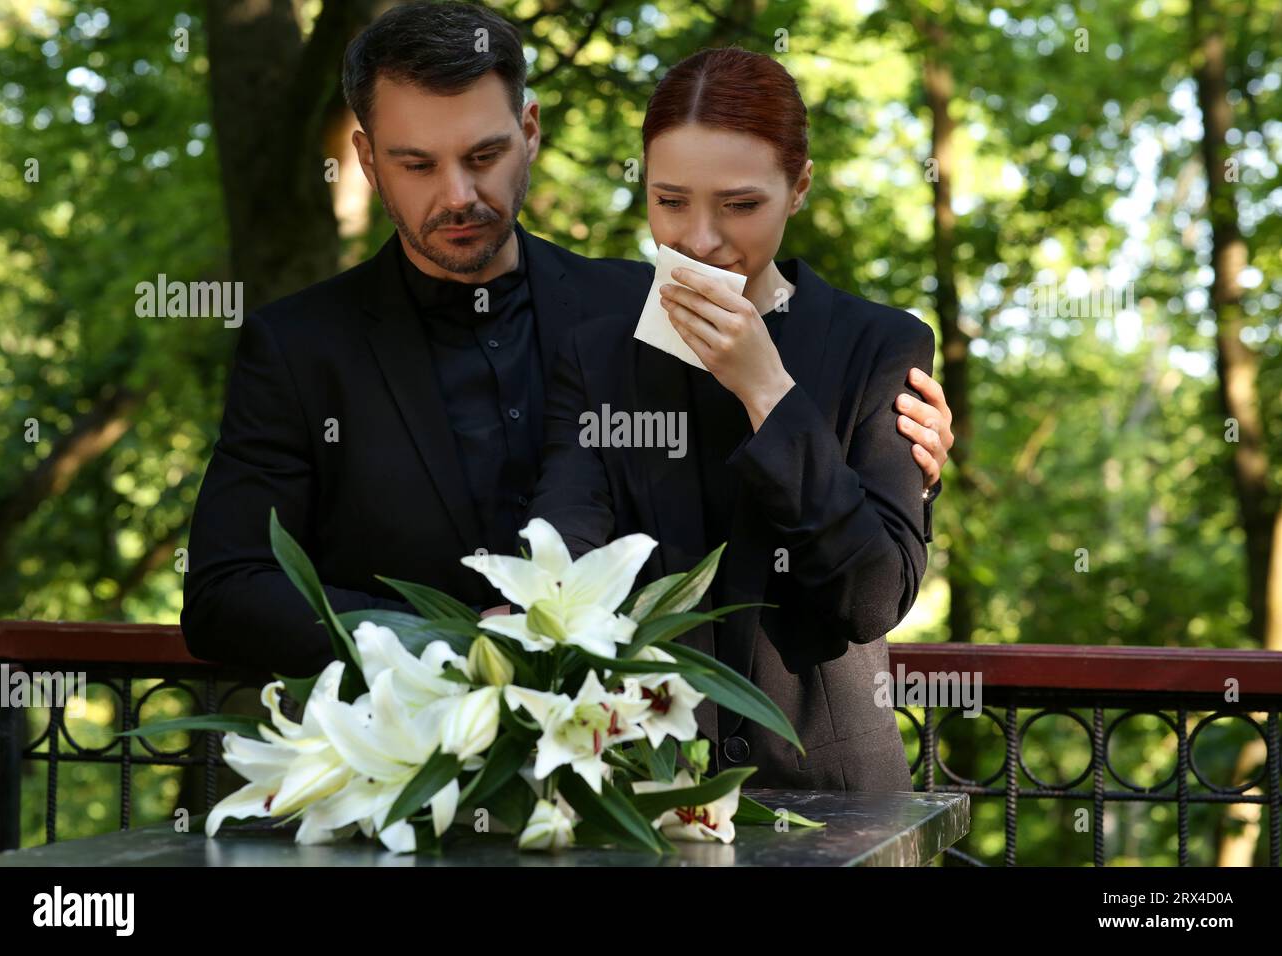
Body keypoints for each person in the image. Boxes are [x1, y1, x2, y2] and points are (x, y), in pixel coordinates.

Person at [181, 2, 953, 682]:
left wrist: (890, 462)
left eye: (484, 156)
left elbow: (759, 519)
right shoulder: (296, 346)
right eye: (417, 164)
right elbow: (226, 593)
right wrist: (456, 650)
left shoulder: (646, 305)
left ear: (529, 132)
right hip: (404, 768)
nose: (458, 194)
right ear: (367, 162)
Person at [527, 47, 939, 790]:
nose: (700, 239)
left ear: (799, 188)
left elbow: (872, 597)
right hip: (640, 785)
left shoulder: (880, 345)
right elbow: (568, 546)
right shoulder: (596, 356)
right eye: (670, 201)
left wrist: (767, 391)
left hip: (832, 798)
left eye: (740, 205)